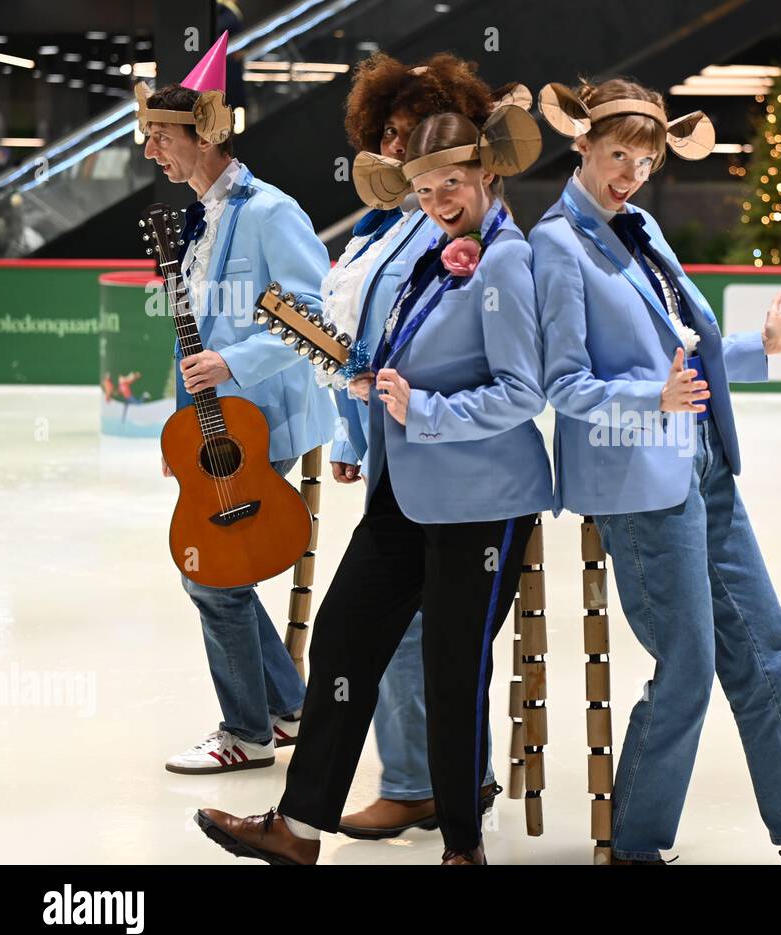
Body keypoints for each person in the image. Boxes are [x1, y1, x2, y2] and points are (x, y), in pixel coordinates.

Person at [530, 77, 781, 864]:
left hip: (702, 462)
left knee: (765, 648)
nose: (630, 172)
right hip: (638, 483)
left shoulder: (640, 227)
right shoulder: (556, 245)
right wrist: (651, 397)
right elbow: (562, 385)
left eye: (646, 158)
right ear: (583, 144)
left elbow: (683, 354)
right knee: (690, 668)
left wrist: (756, 350)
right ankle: (633, 844)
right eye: (618, 154)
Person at [196, 96, 551, 865]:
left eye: (452, 183)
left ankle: (463, 848)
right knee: (344, 641)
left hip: (482, 506)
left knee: (454, 672)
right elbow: (411, 349)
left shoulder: (510, 261)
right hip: (404, 493)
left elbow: (525, 392)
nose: (438, 203)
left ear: (485, 172)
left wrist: (421, 408)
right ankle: (297, 829)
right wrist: (370, 385)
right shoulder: (432, 251)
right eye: (424, 191)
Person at [139, 33, 336, 775]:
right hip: (218, 421)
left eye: (162, 138)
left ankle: (247, 732)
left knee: (212, 574)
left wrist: (235, 358)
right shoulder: (200, 214)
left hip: (265, 416)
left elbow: (313, 313)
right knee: (219, 573)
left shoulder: (269, 211)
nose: (151, 152)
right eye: (150, 137)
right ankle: (289, 710)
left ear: (205, 135)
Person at [320, 51, 503, 840]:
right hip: (390, 438)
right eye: (390, 132)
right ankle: (438, 778)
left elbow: (465, 353)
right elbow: (355, 340)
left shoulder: (462, 230)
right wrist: (350, 426)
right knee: (402, 623)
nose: (399, 147)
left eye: (416, 131)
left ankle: (427, 782)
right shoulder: (375, 226)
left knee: (424, 629)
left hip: (451, 449)